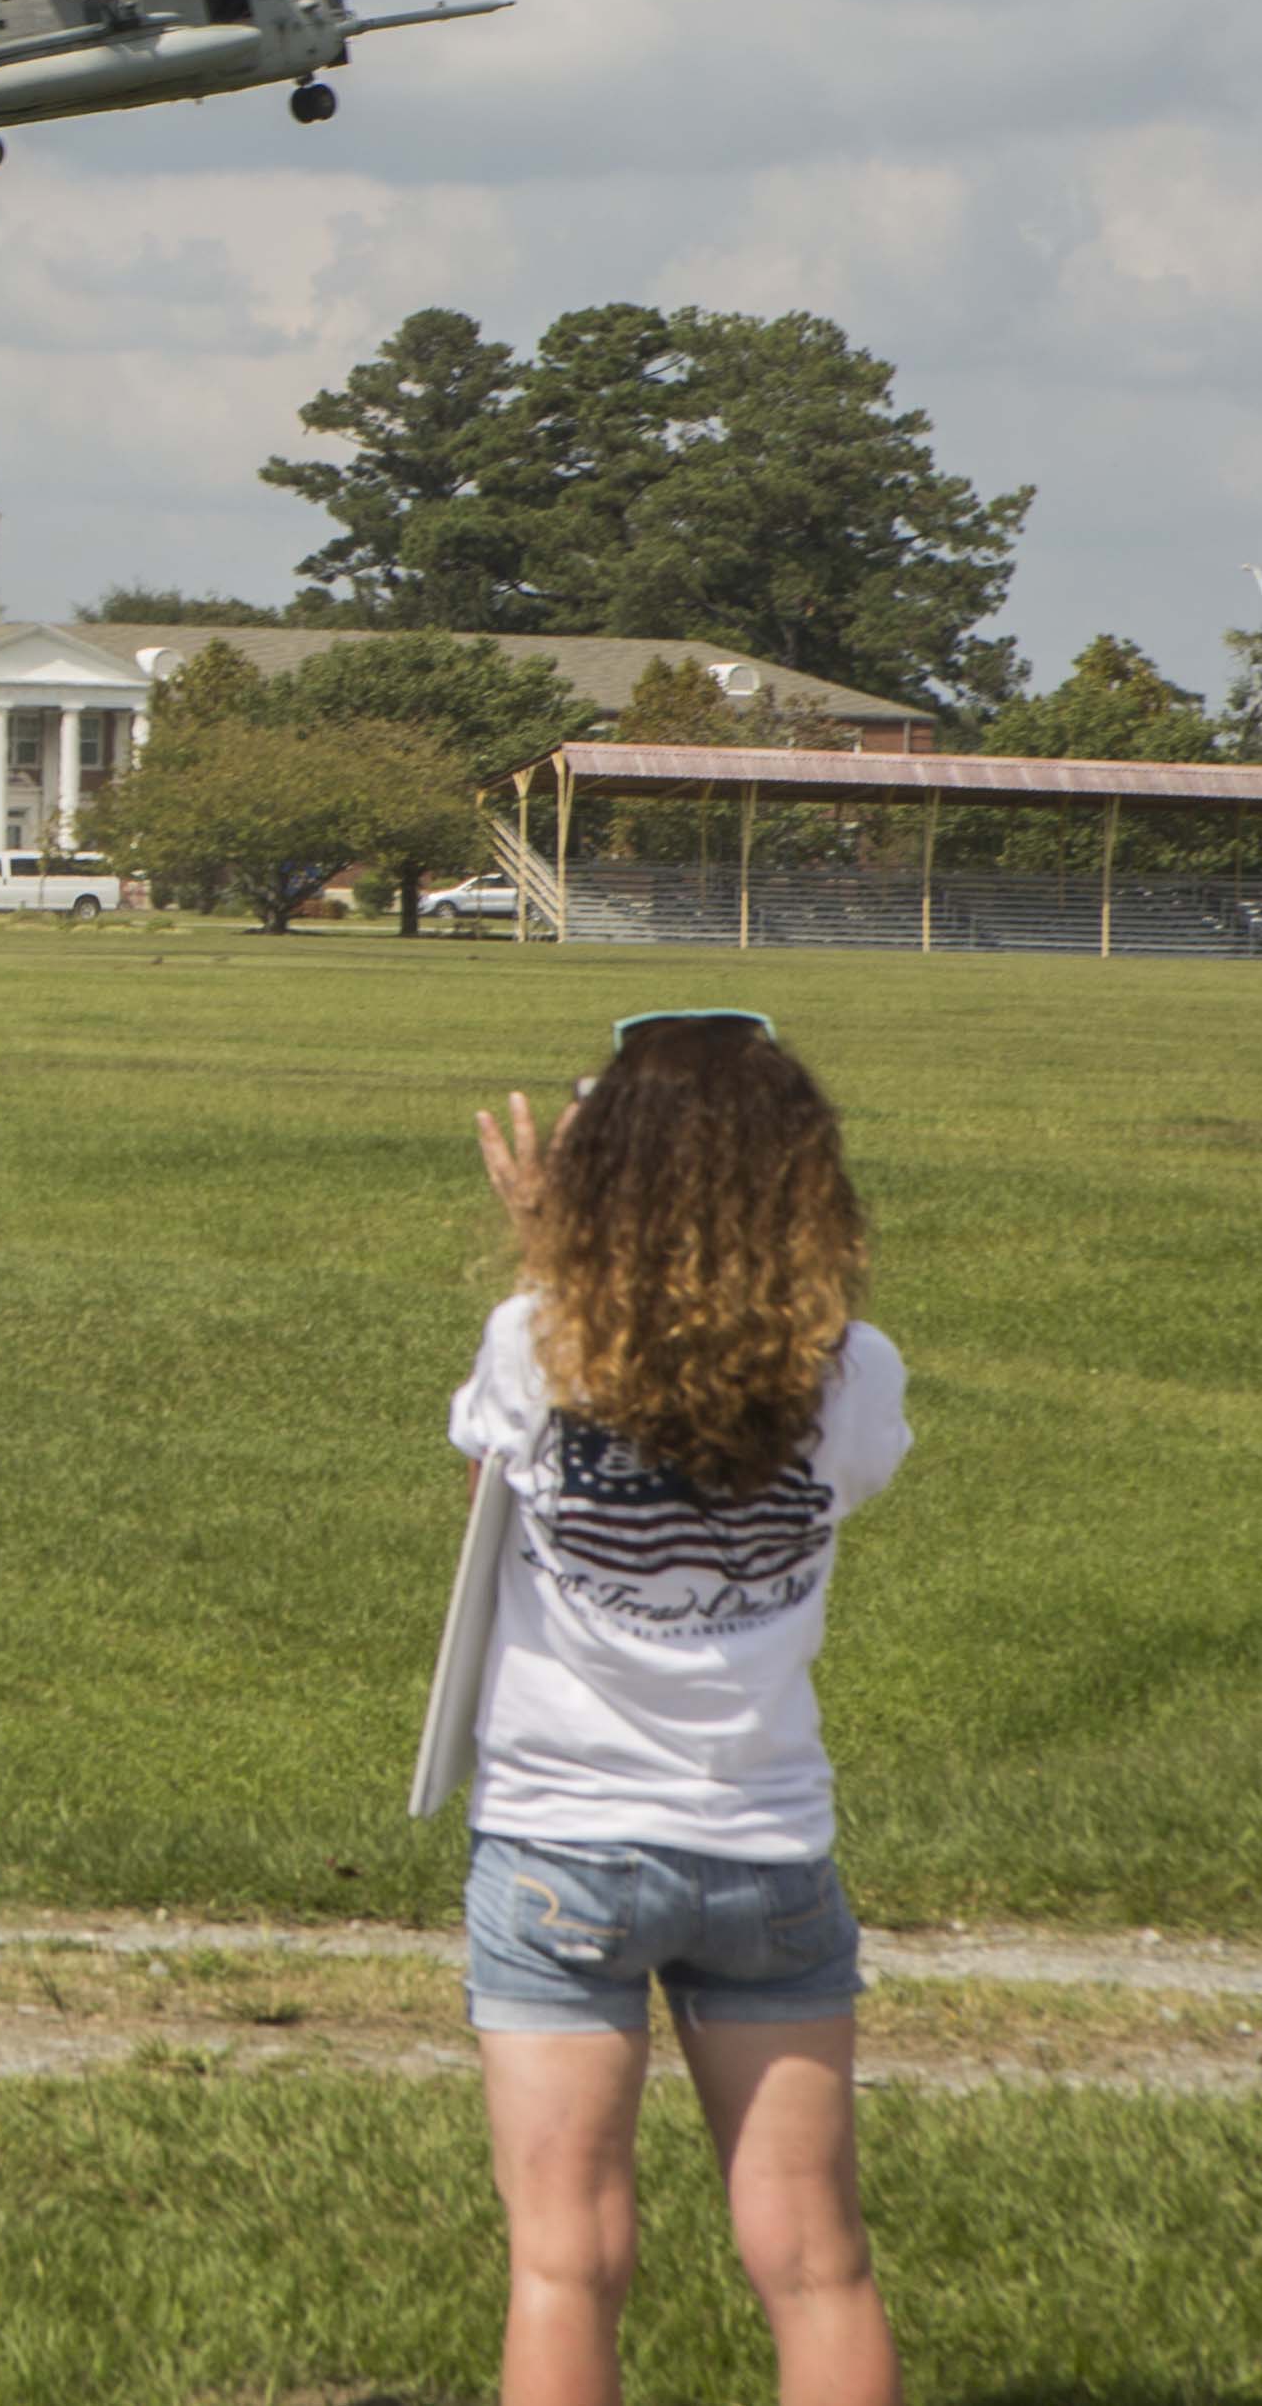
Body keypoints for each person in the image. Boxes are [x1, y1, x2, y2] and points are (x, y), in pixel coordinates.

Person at [460, 1012, 910, 2406]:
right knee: (816, 2261)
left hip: (559, 1839)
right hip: (767, 1840)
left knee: (563, 2261)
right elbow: (842, 1464)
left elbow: (489, 1500)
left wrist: (557, 1253)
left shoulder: (532, 1342)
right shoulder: (853, 1369)